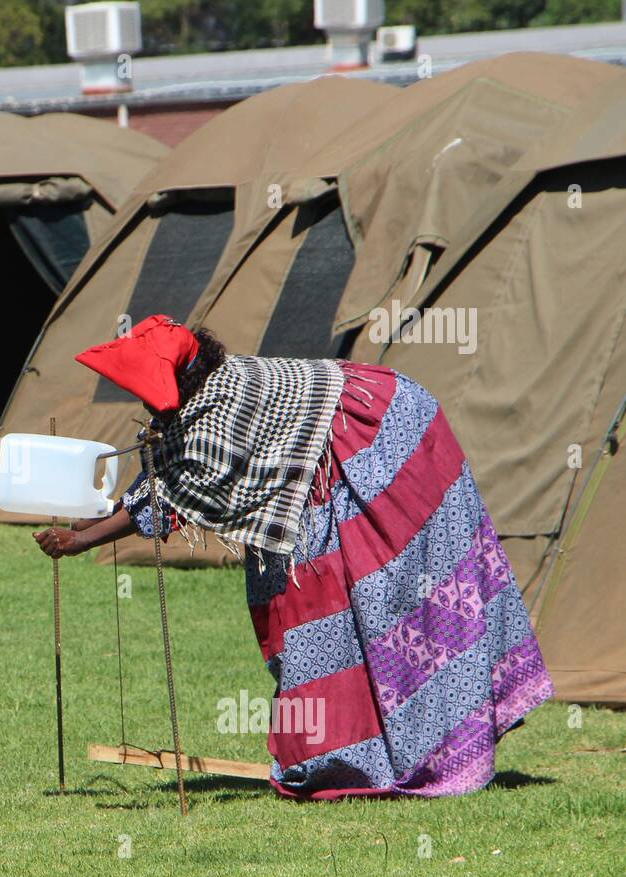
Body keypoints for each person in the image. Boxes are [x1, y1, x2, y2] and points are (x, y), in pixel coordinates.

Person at [34, 314, 552, 799]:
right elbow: (162, 477)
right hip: (332, 462)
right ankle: (357, 755)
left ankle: (434, 756)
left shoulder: (222, 414)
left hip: (386, 445)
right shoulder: (203, 392)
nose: (146, 408)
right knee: (311, 608)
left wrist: (82, 542)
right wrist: (83, 520)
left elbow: (174, 491)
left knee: (384, 603)